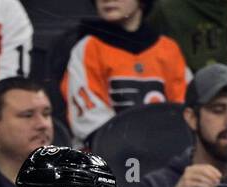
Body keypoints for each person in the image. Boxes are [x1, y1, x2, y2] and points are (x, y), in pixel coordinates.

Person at [60, 0, 191, 142]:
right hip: (106, 153)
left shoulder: (168, 49)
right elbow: (90, 120)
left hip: (164, 152)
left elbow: (185, 109)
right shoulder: (88, 48)